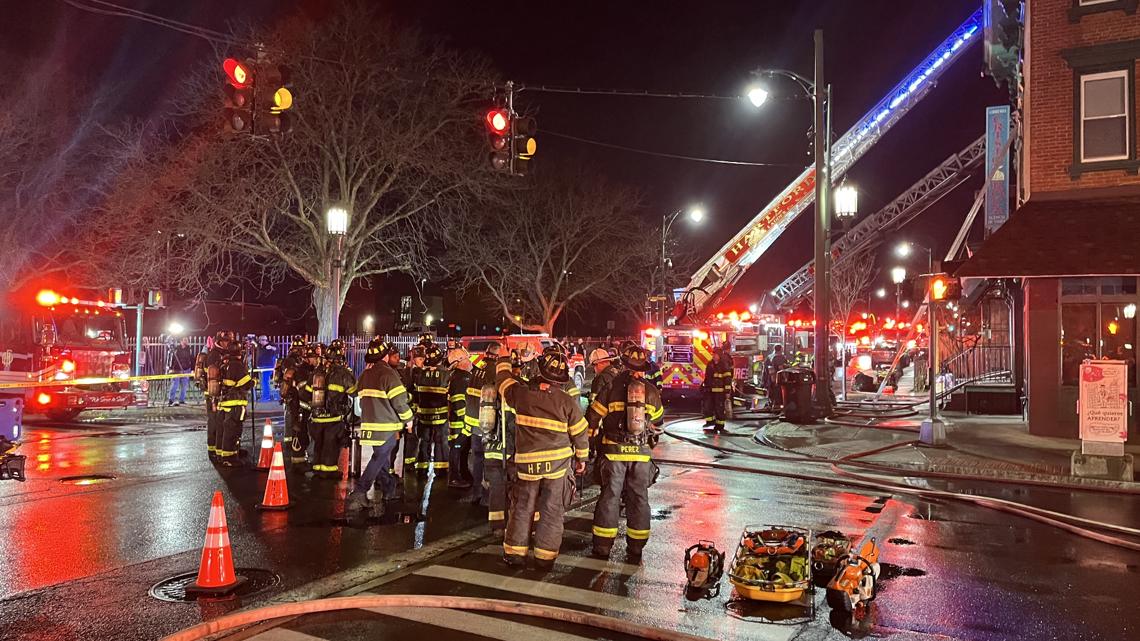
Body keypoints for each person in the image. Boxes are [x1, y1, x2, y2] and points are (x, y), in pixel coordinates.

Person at [495, 350, 589, 570]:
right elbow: (580, 433)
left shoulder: (522, 395)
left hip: (527, 465)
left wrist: (503, 359)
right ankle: (544, 558)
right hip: (557, 467)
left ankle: (515, 554)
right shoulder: (566, 402)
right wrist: (581, 458)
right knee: (552, 509)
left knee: (522, 506)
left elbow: (503, 382)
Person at [587, 344, 664, 563]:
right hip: (640, 455)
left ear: (624, 363)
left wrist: (590, 444)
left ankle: (603, 547)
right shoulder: (650, 390)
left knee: (610, 497)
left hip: (613, 452)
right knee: (639, 498)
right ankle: (636, 548)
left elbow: (593, 416)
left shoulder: (612, 386)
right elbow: (658, 422)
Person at [347, 339, 413, 510]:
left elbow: (353, 391)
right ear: (385, 356)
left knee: (381, 457)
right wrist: (409, 420)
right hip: (386, 426)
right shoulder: (389, 374)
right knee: (379, 458)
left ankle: (389, 487)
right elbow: (399, 402)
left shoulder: (365, 374)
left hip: (369, 425)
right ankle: (360, 492)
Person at [465, 341, 504, 521]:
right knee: (490, 461)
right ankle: (487, 497)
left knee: (478, 459)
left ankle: (476, 493)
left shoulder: (478, 366)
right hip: (487, 424)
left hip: (474, 423)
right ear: (497, 354)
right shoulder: (493, 371)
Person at [308, 340, 356, 479]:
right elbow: (354, 391)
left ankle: (317, 469)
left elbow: (306, 392)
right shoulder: (343, 373)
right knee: (330, 445)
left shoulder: (318, 372)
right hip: (333, 418)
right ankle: (328, 473)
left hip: (316, 417)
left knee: (319, 444)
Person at [413, 344, 451, 475]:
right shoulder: (446, 374)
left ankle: (421, 468)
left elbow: (416, 393)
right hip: (440, 415)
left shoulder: (420, 374)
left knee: (424, 441)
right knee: (441, 441)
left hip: (423, 415)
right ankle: (440, 469)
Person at [216, 337, 253, 466]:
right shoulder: (237, 365)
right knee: (233, 429)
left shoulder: (224, 364)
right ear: (239, 352)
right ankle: (229, 458)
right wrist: (254, 381)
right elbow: (246, 383)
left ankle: (225, 453)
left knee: (224, 429)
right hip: (235, 402)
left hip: (225, 402)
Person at [447, 347, 474, 489]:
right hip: (460, 424)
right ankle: (454, 477)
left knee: (462, 450)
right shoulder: (460, 378)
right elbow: (459, 402)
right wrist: (467, 422)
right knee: (457, 449)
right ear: (460, 362)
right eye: (467, 358)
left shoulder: (457, 376)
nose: (470, 361)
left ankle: (463, 474)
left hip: (460, 422)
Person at [202, 332, 231, 460]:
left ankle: (219, 448)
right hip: (212, 394)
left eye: (228, 341)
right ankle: (212, 449)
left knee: (220, 422)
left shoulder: (220, 354)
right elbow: (214, 373)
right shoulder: (214, 354)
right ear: (219, 341)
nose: (227, 343)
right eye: (225, 341)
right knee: (214, 421)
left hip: (218, 393)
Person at [704, 345, 734, 433]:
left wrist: (727, 391)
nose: (713, 356)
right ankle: (712, 423)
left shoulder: (724, 364)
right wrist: (705, 387)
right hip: (710, 391)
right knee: (709, 407)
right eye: (713, 354)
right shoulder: (710, 364)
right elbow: (707, 377)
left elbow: (728, 378)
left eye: (715, 354)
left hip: (720, 391)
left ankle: (720, 426)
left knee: (719, 409)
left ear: (719, 355)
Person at [167, 337, 194, 407]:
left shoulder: (189, 349)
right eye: (185, 340)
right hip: (177, 369)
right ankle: (171, 399)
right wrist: (171, 368)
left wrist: (192, 369)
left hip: (186, 369)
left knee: (184, 386)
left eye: (187, 340)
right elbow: (172, 358)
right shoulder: (176, 349)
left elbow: (192, 359)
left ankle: (182, 399)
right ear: (181, 341)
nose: (187, 341)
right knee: (174, 385)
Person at [255, 335, 279, 402]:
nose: (262, 342)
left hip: (267, 366)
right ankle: (264, 395)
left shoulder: (270, 345)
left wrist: (271, 347)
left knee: (265, 382)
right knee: (263, 382)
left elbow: (277, 349)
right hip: (260, 366)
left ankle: (266, 397)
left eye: (264, 340)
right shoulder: (260, 346)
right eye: (261, 340)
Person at [767, 344, 788, 409]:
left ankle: (773, 404)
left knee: (773, 392)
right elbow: (780, 368)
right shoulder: (779, 357)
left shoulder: (770, 356)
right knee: (779, 392)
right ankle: (778, 406)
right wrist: (785, 378)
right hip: (778, 378)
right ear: (781, 349)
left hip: (771, 378)